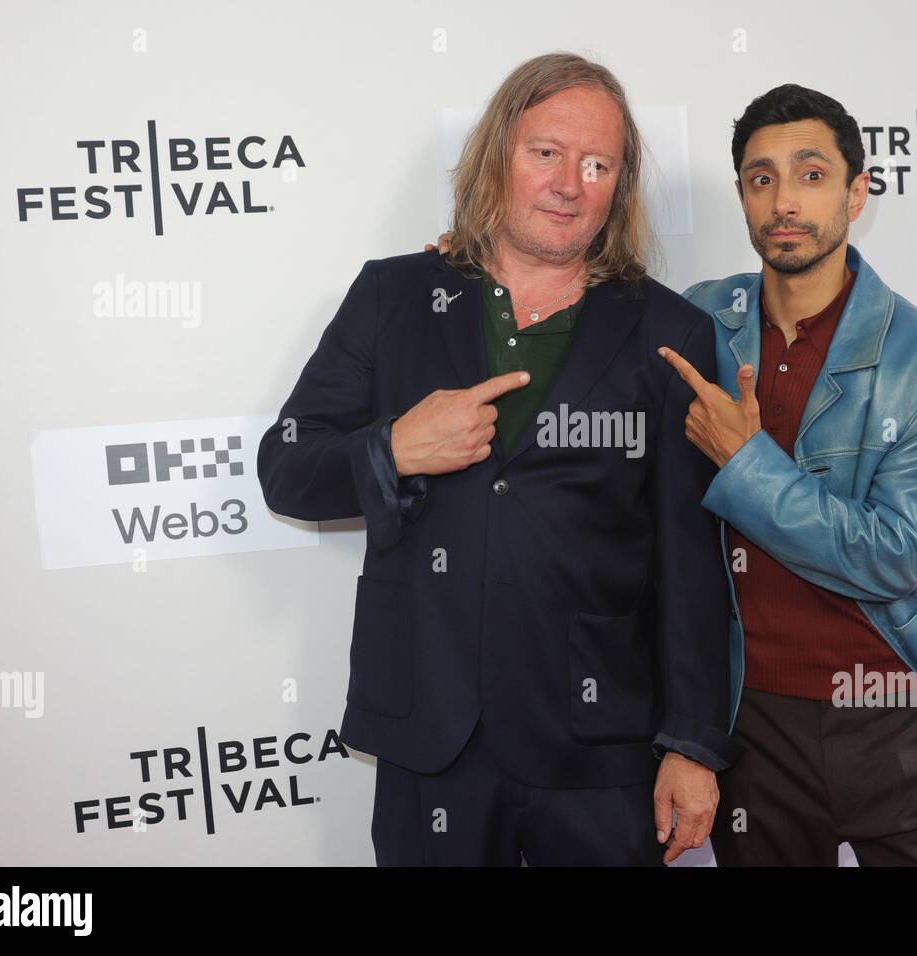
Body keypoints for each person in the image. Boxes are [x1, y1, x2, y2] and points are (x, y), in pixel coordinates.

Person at [257, 52, 739, 866]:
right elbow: (286, 466)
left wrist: (691, 745)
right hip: (432, 737)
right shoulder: (393, 295)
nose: (569, 184)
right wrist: (393, 448)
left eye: (598, 165)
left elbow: (690, 563)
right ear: (497, 157)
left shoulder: (669, 333)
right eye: (545, 153)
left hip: (599, 750)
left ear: (618, 187)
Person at [660, 84, 917, 865]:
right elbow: (577, 322)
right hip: (753, 726)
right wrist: (476, 266)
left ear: (857, 191)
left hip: (898, 713)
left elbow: (894, 557)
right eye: (760, 177)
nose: (784, 201)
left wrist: (747, 467)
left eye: (810, 175)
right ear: (742, 193)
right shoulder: (692, 325)